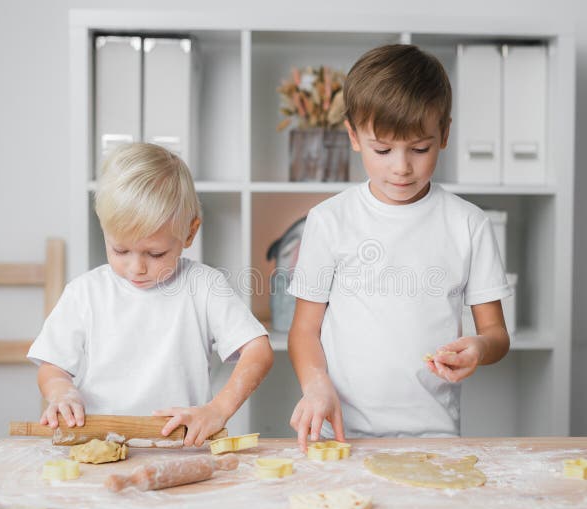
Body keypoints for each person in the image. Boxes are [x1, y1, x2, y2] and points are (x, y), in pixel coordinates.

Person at [287, 44, 511, 449]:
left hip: (434, 435)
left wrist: (479, 347)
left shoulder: (467, 224)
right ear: (354, 137)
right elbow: (305, 330)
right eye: (383, 149)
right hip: (339, 433)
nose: (401, 167)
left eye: (420, 149)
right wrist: (315, 386)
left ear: (444, 134)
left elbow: (496, 333)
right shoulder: (329, 220)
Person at [28, 143, 273, 446]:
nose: (137, 267)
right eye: (120, 250)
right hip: (98, 447)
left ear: (189, 233)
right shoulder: (85, 293)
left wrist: (217, 410)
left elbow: (258, 351)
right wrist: (60, 392)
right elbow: (53, 366)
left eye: (155, 253)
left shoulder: (204, 287)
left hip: (180, 450)